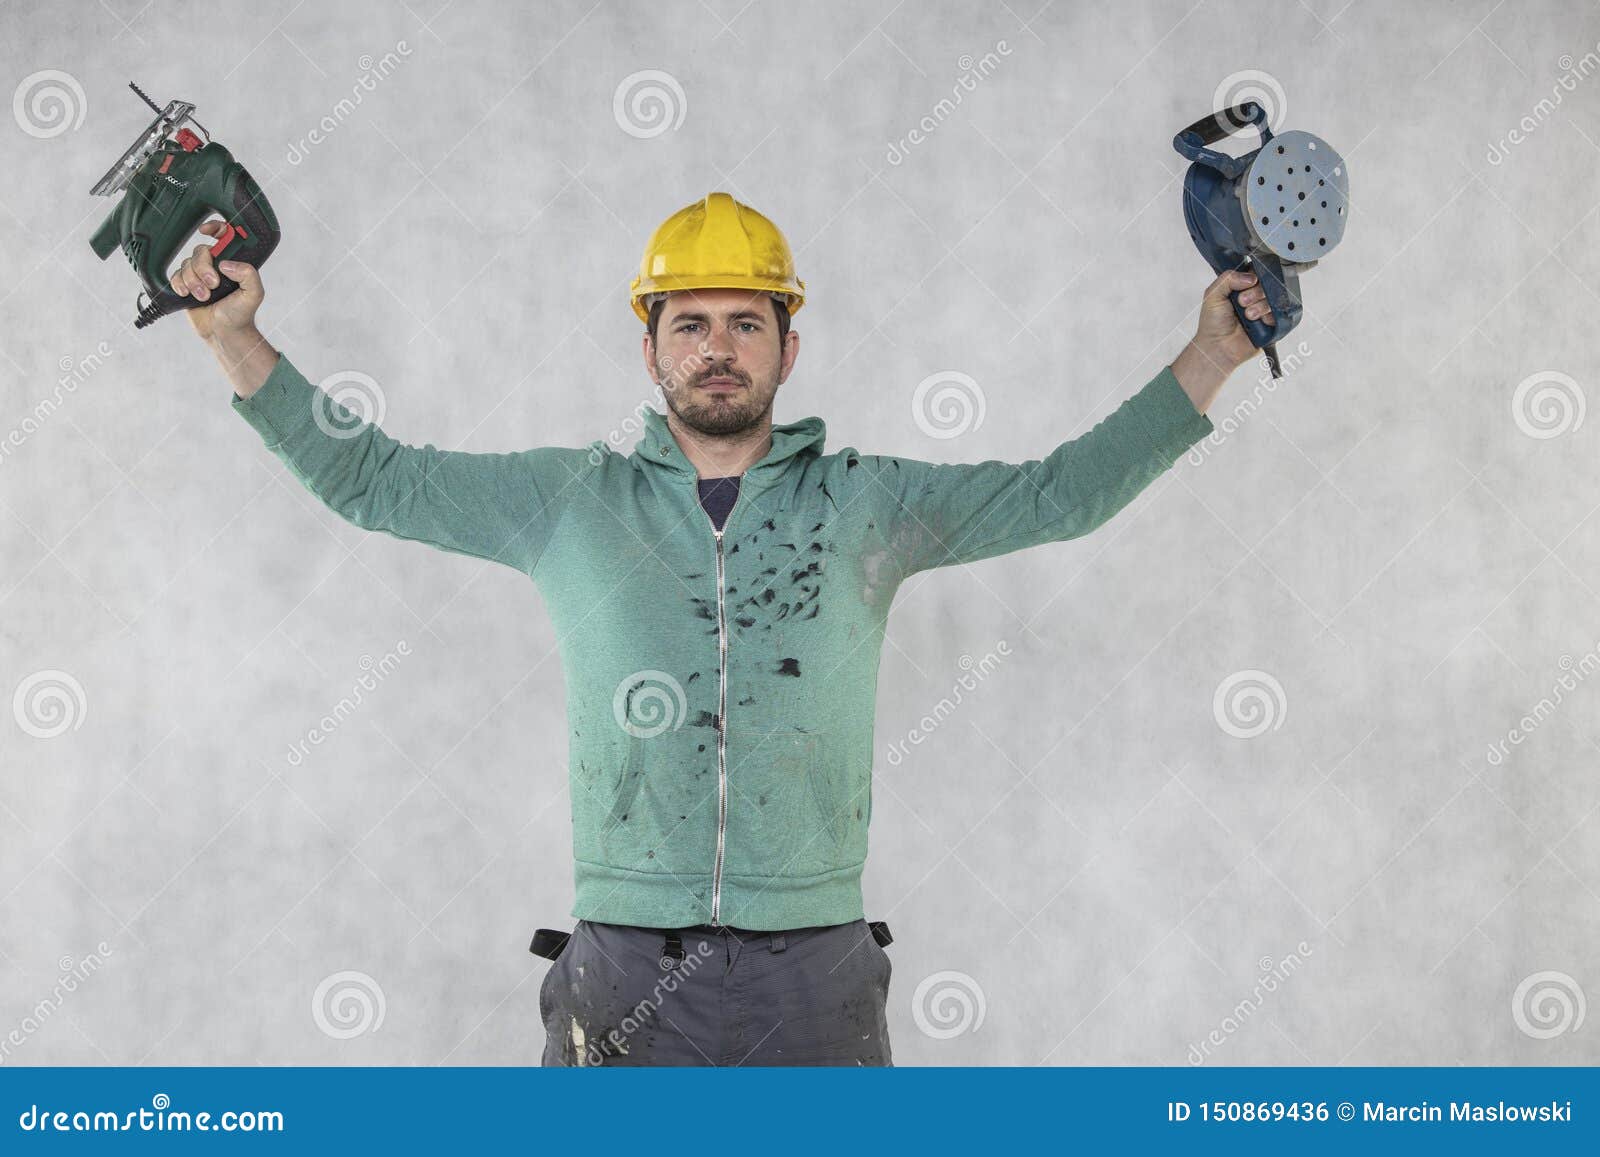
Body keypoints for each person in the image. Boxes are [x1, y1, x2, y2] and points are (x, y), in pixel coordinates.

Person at [176, 191, 1269, 1066]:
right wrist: (236, 337)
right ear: (648, 348)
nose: (717, 346)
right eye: (688, 322)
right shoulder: (570, 499)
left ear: (788, 350)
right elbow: (373, 479)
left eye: (747, 323)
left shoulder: (867, 501)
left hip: (814, 970)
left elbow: (1055, 493)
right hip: (620, 961)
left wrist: (1213, 354)